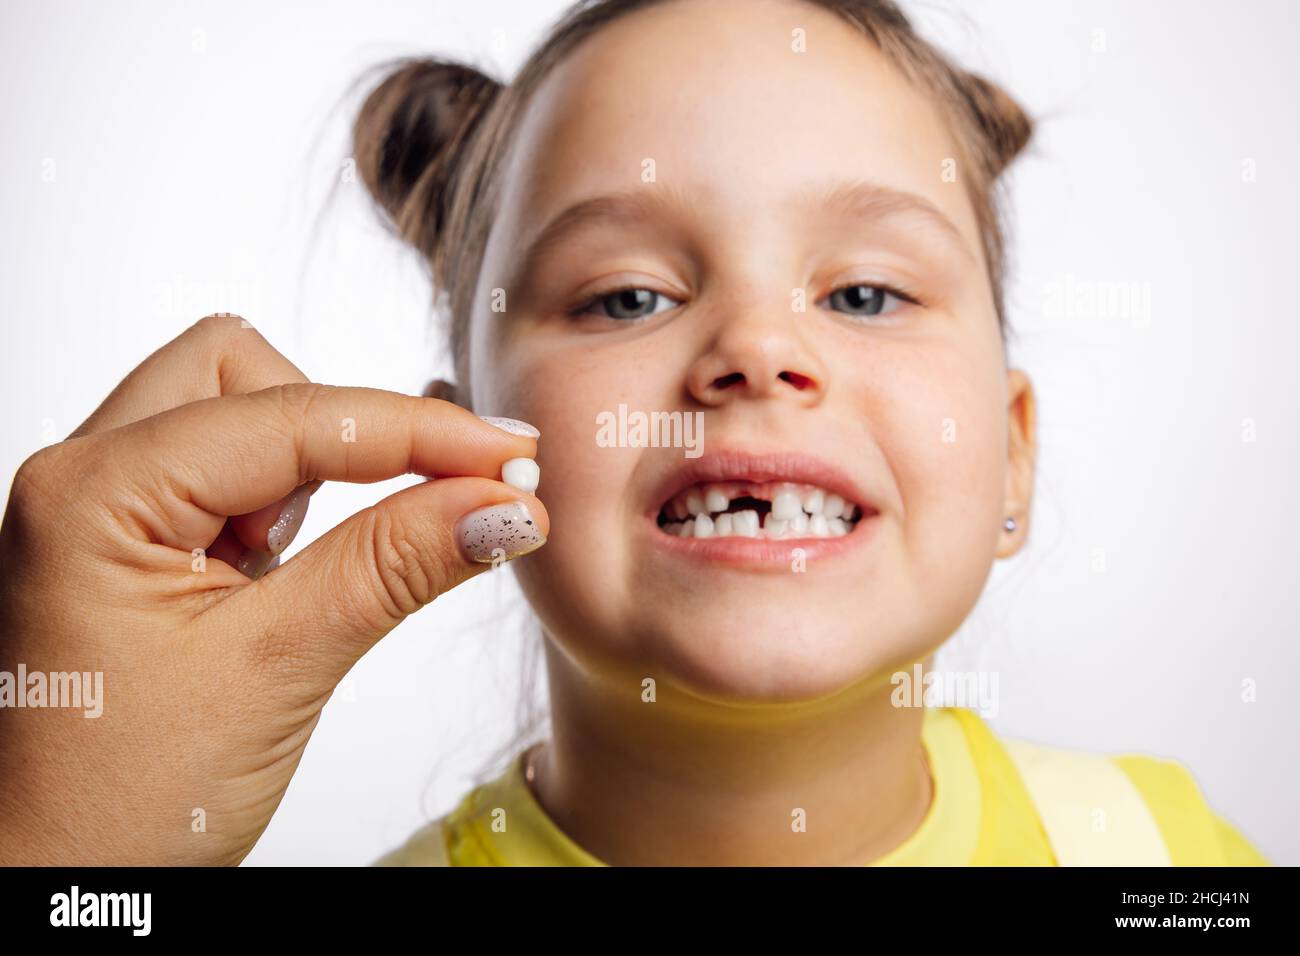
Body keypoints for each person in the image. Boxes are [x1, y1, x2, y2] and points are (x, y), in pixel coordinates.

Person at [0, 0, 1269, 866]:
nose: (758, 351)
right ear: (464, 450)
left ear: (1014, 454)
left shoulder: (1156, 848)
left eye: (865, 293)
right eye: (627, 296)